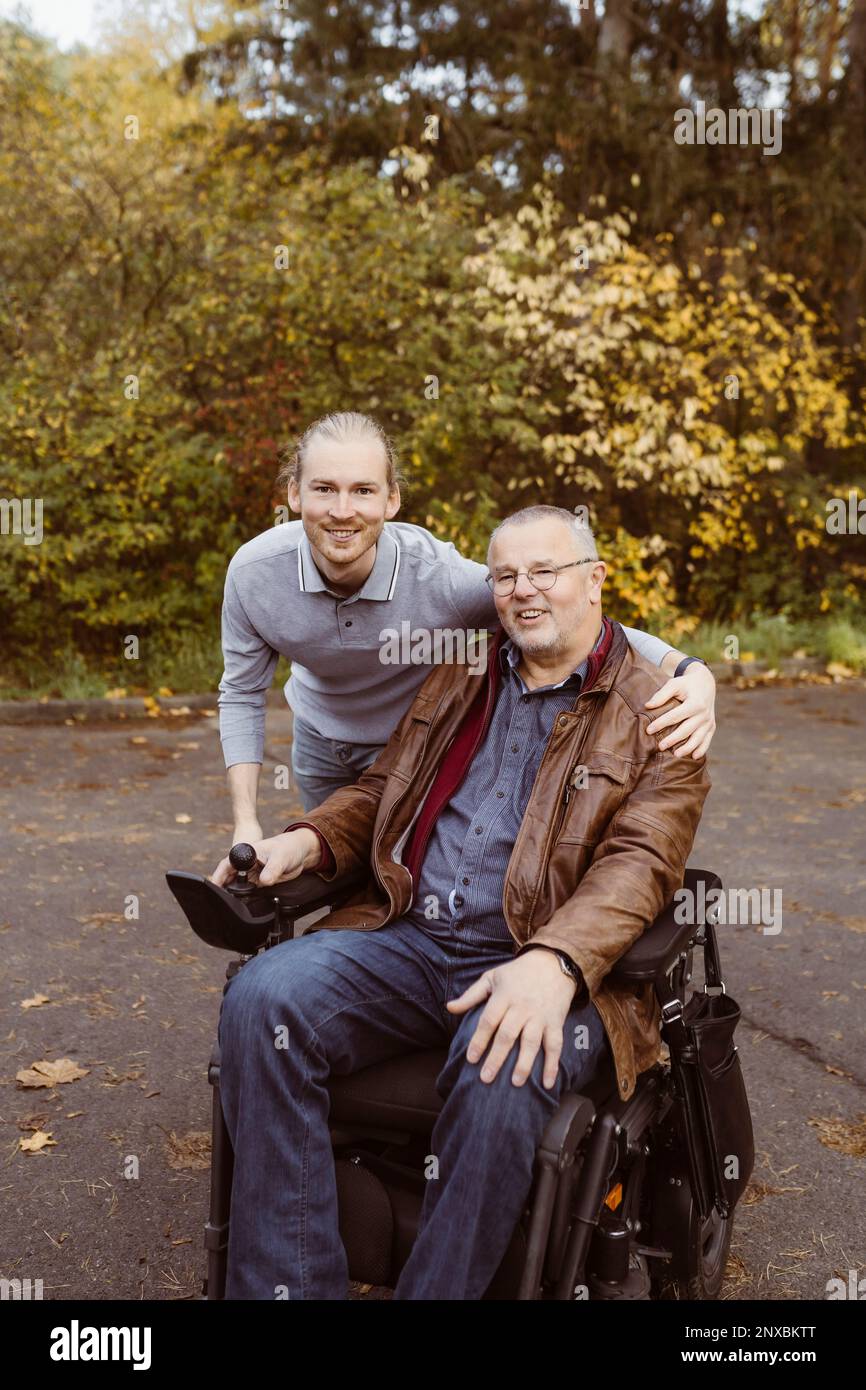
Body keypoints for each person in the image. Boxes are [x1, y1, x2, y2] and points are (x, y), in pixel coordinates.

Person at [214, 504, 711, 1299]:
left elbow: (642, 864)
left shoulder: (659, 713)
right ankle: (289, 1285)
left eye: (544, 570)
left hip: (543, 958)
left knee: (504, 1057)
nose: (523, 591)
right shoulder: (461, 670)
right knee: (259, 1000)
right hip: (411, 937)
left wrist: (554, 963)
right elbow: (384, 788)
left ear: (595, 580)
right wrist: (304, 842)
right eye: (507, 575)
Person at [214, 412, 716, 858]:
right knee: (327, 860)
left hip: (410, 747)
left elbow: (566, 616)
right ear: (294, 494)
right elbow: (240, 693)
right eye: (324, 488)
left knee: (396, 874)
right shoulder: (254, 575)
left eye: (363, 490)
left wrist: (691, 671)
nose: (342, 510)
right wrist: (246, 823)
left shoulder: (442, 581)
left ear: (391, 501)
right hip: (318, 741)